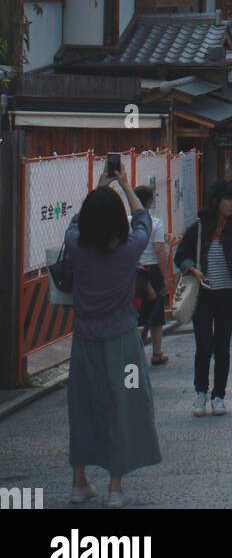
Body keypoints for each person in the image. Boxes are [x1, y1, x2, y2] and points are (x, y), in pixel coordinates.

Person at [64, 159, 161, 508]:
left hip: (84, 341)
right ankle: (115, 489)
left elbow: (76, 223)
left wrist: (101, 186)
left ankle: (79, 483)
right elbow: (143, 221)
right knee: (124, 405)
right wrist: (124, 186)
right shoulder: (127, 250)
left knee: (84, 407)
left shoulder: (76, 246)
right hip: (122, 342)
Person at [174, 181, 232, 417]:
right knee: (203, 347)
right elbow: (181, 256)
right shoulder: (197, 228)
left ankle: (219, 395)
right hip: (203, 296)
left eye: (231, 199)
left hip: (227, 295)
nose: (230, 203)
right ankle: (200, 393)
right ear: (216, 201)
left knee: (222, 348)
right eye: (227, 199)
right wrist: (193, 269)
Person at [135, 184, 169, 365]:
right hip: (152, 269)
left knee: (133, 313)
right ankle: (156, 353)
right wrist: (166, 276)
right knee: (156, 314)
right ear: (149, 201)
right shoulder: (155, 222)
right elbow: (159, 250)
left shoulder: (126, 221)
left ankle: (133, 353)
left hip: (132, 270)